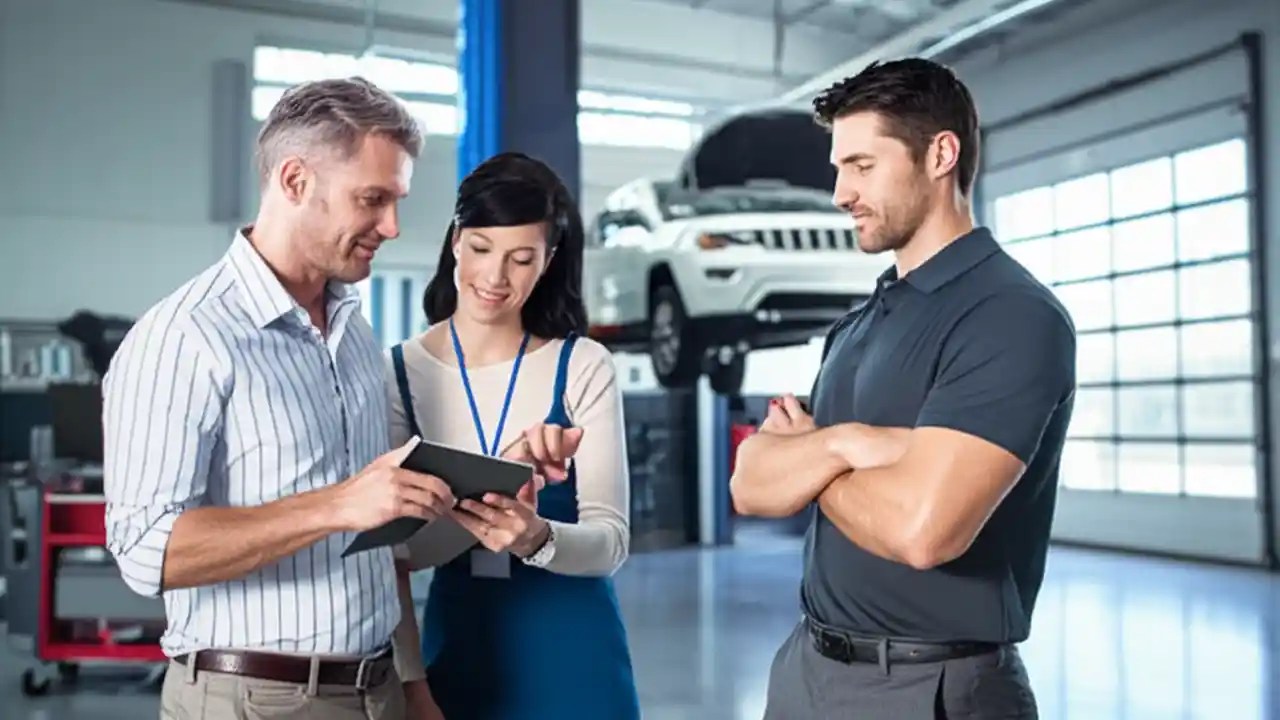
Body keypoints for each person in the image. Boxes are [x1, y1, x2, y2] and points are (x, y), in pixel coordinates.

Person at [102, 76, 461, 720]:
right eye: (373, 200)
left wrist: (409, 688)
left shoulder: (352, 330)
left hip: (375, 687)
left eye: (396, 201)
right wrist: (338, 505)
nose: (394, 226)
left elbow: (372, 535)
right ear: (295, 182)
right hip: (256, 700)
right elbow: (144, 550)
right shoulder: (185, 337)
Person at [731, 58, 1077, 719]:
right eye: (839, 169)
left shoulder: (1009, 315)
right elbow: (750, 486)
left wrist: (814, 455)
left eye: (862, 166)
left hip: (933, 686)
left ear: (940, 154)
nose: (840, 193)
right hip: (806, 668)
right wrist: (854, 445)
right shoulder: (858, 326)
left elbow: (923, 531)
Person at [385, 151, 641, 720]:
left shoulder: (582, 366)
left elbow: (611, 541)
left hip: (575, 655)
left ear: (548, 261)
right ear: (455, 240)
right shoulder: (398, 374)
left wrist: (535, 538)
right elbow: (396, 556)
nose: (496, 278)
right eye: (480, 250)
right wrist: (412, 687)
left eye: (521, 259)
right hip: (459, 652)